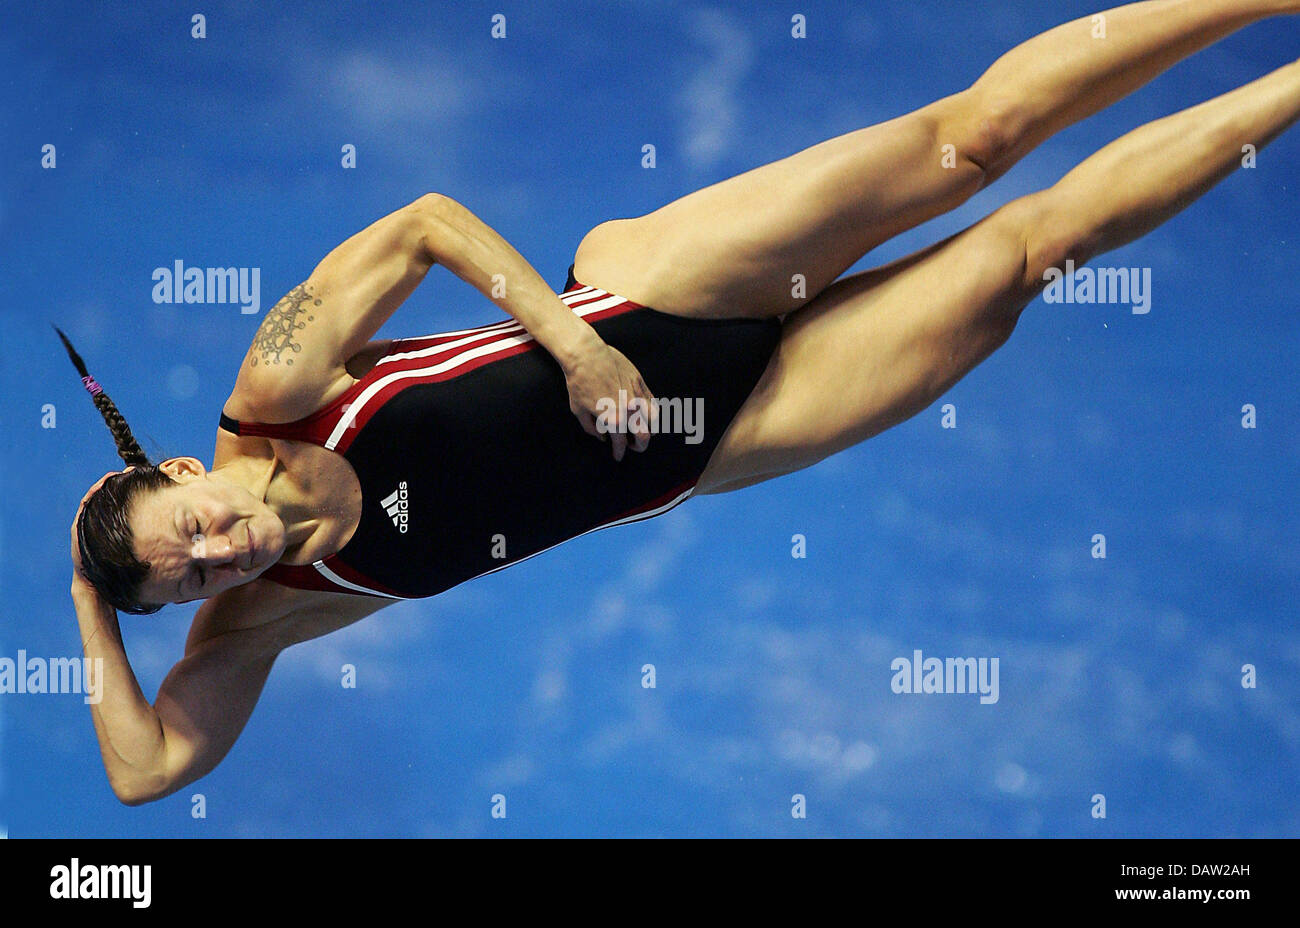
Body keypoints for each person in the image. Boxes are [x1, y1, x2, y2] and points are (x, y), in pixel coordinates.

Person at [66, 0, 1300, 804]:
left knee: (966, 145)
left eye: (197, 534)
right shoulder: (256, 625)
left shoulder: (279, 389)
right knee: (1028, 256)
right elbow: (144, 771)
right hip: (719, 440)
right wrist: (95, 590)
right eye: (195, 582)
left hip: (648, 302)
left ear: (184, 472)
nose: (223, 558)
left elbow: (424, 223)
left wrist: (580, 352)